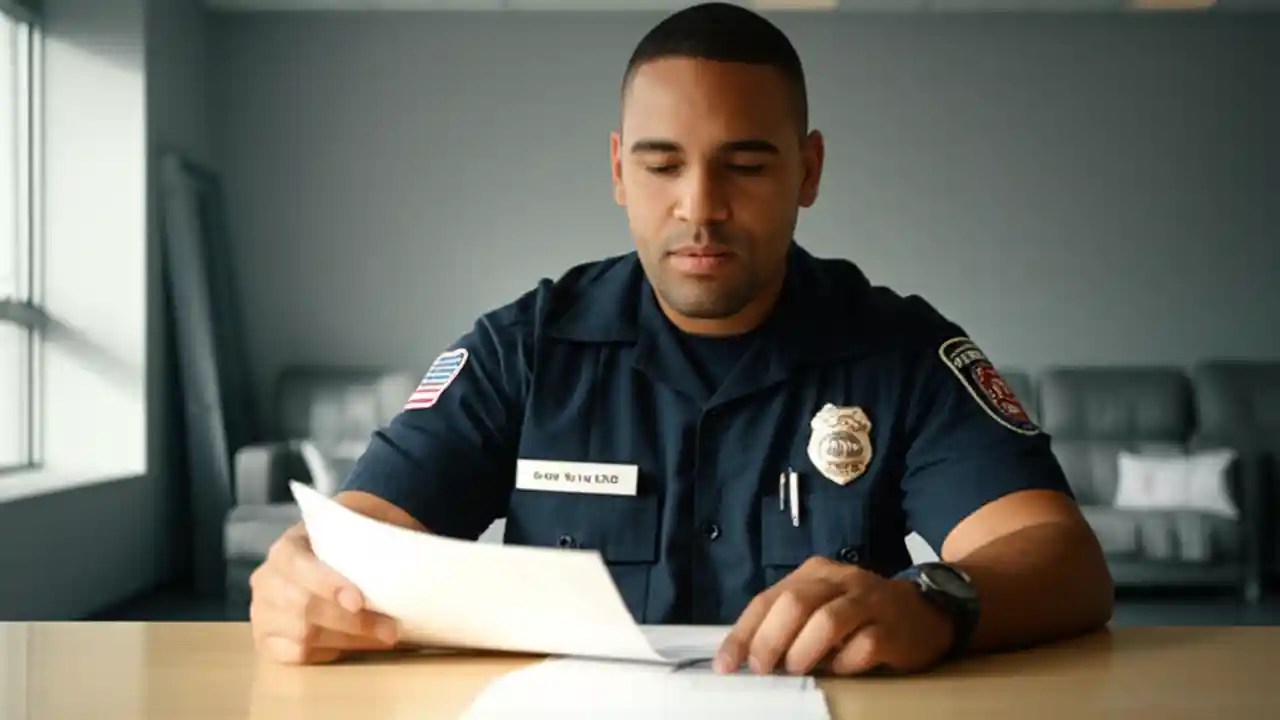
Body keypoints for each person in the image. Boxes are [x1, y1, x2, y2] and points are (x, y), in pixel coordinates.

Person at [249, 1, 1113, 675]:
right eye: (663, 166)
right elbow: (363, 533)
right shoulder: (525, 350)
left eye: (745, 165)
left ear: (807, 171)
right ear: (619, 170)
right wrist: (303, 573)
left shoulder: (900, 351)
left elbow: (1061, 560)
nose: (699, 206)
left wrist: (935, 602)